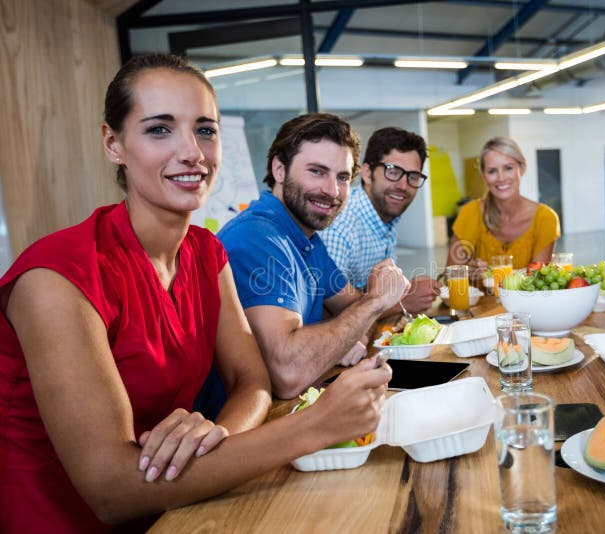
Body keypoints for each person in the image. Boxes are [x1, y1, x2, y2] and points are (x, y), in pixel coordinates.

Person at [0, 54, 390, 533]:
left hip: (179, 503)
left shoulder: (207, 252)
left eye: (205, 130)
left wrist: (217, 433)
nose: (193, 152)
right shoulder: (56, 277)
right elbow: (110, 488)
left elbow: (254, 383)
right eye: (160, 129)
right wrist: (315, 426)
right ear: (113, 143)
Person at [215, 113, 409, 402]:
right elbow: (288, 372)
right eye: (317, 171)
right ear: (279, 169)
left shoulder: (305, 237)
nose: (332, 191)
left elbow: (350, 306)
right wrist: (375, 301)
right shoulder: (257, 236)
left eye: (342, 177)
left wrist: (346, 330)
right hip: (233, 432)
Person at [320, 126, 440, 314]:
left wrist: (406, 292)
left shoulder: (384, 219)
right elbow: (327, 311)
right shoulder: (340, 227)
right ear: (367, 173)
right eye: (392, 172)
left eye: (413, 176)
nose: (403, 185)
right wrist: (404, 304)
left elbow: (373, 292)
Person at [447, 136, 560, 279]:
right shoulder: (470, 213)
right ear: (483, 175)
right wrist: (466, 273)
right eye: (492, 171)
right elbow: (449, 276)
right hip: (480, 302)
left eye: (508, 168)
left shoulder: (545, 218)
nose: (501, 178)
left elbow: (539, 280)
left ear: (522, 168)